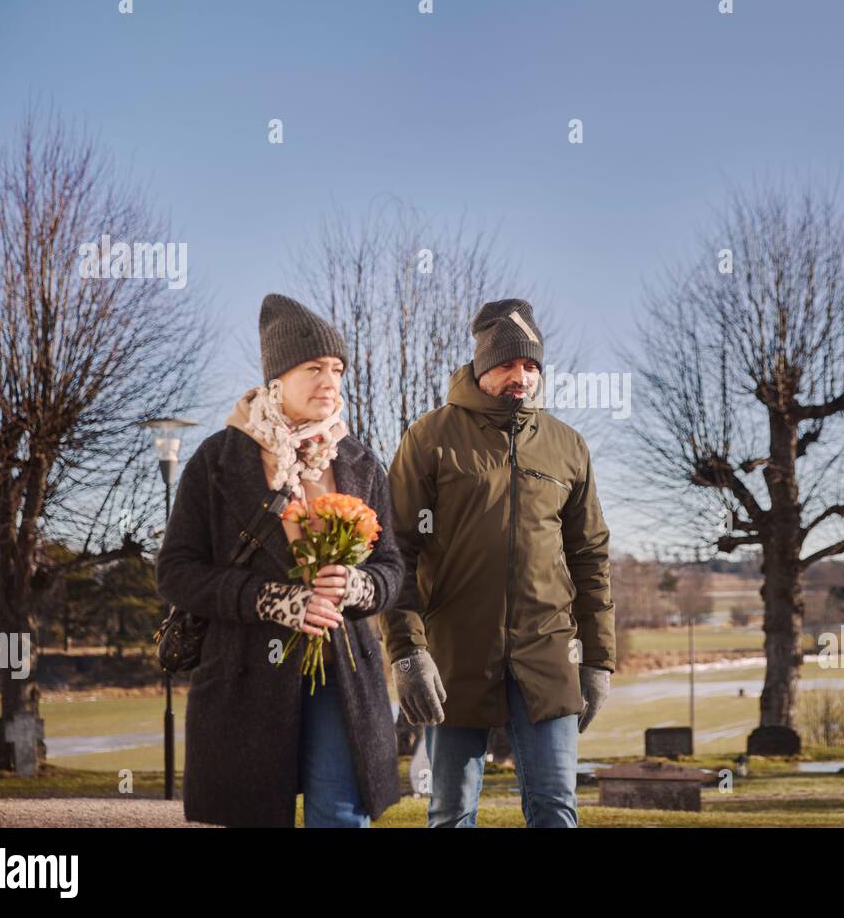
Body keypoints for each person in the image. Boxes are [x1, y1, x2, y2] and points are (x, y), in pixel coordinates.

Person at [156, 293, 404, 827]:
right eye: (314, 367)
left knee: (340, 815)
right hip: (246, 673)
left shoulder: (359, 461)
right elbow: (176, 572)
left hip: (343, 674)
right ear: (277, 377)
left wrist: (357, 586)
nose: (330, 381)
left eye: (337, 369)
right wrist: (271, 600)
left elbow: (391, 567)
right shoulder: (218, 461)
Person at [381, 297, 614, 827]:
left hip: (547, 650)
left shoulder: (567, 446)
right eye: (509, 363)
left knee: (556, 807)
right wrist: (407, 652)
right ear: (483, 367)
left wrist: (599, 660)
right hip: (454, 657)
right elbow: (396, 549)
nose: (521, 376)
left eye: (531, 365)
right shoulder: (431, 437)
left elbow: (590, 558)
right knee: (452, 811)